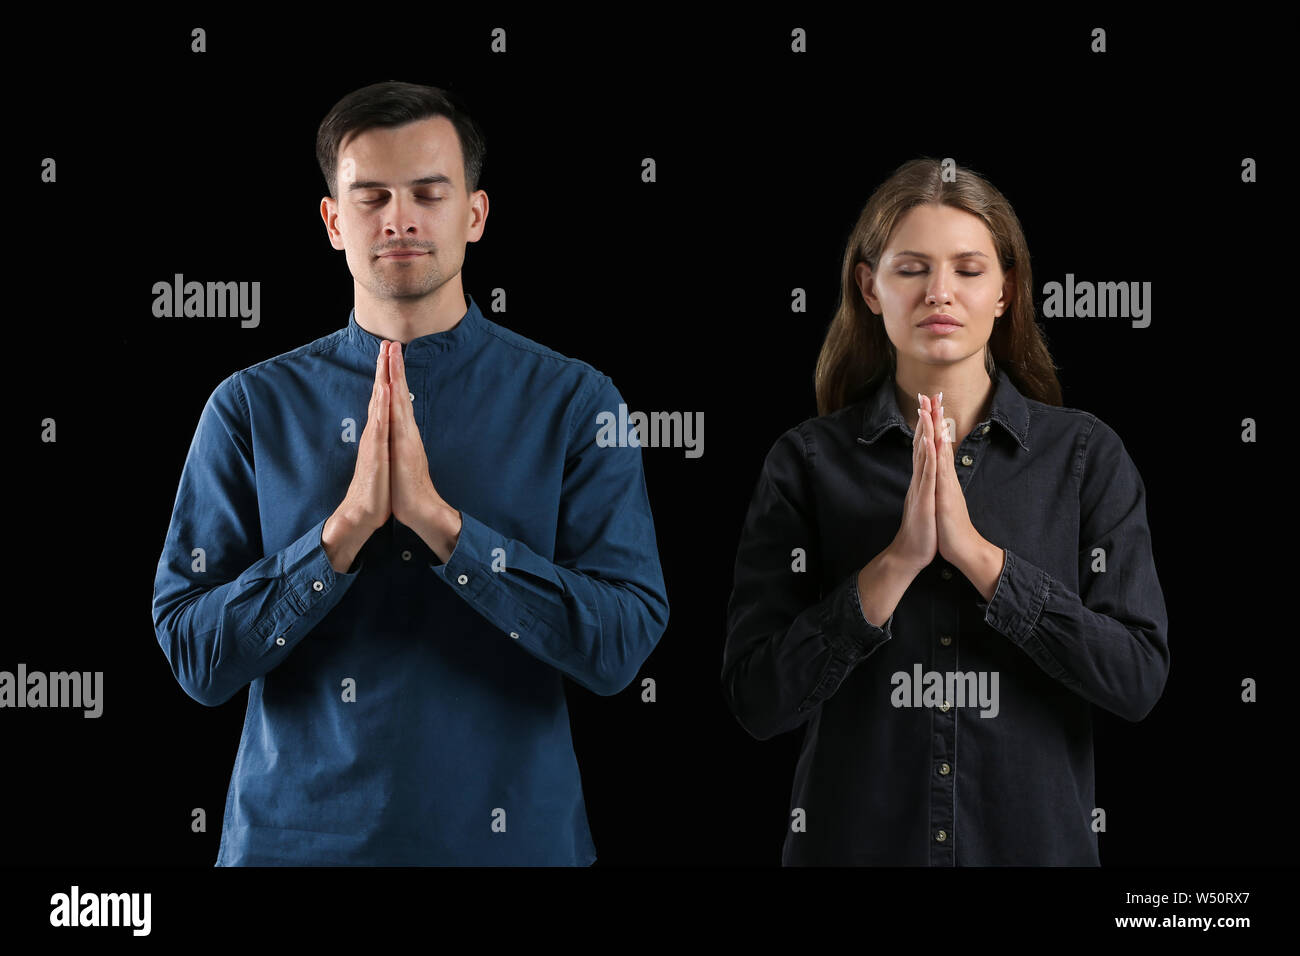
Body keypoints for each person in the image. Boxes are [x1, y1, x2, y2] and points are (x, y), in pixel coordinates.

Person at [152, 81, 669, 866]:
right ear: (333, 222)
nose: (400, 219)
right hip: (292, 849)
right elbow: (195, 658)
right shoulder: (248, 407)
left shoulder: (575, 399)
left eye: (429, 193)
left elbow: (622, 645)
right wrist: (340, 535)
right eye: (372, 198)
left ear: (475, 214)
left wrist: (444, 528)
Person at [722, 158, 1169, 865]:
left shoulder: (1086, 457)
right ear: (869, 286)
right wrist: (895, 563)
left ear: (1006, 290)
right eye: (911, 269)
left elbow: (1137, 680)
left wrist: (981, 561)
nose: (939, 293)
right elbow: (758, 700)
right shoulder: (805, 462)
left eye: (967, 269)